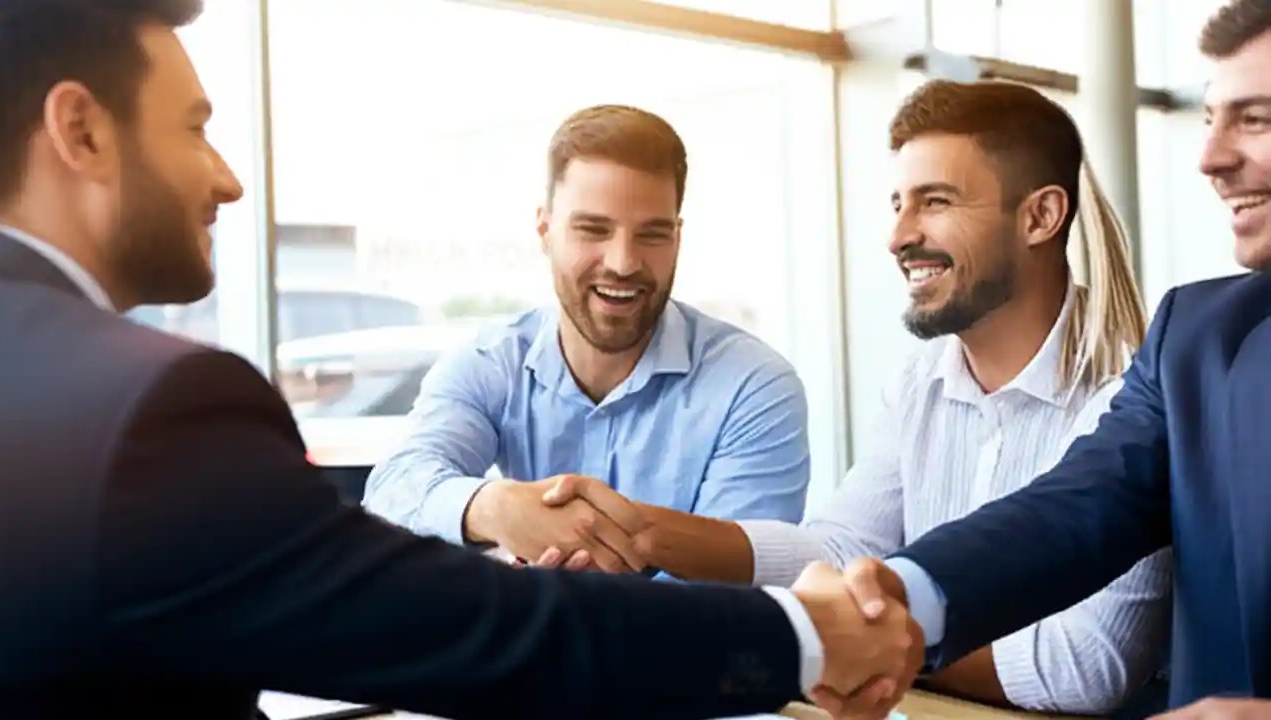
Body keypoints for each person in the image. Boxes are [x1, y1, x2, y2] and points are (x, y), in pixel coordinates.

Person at [0, 1, 917, 717]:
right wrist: (803, 633)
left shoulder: (750, 378)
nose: (229, 176)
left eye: (653, 233)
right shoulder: (158, 404)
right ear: (80, 131)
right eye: (194, 126)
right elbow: (446, 618)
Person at [533, 80, 1173, 714]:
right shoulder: (921, 379)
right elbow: (839, 551)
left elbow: (1083, 666)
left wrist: (845, 640)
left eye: (936, 201)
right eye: (898, 203)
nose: (898, 236)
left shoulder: (1134, 394)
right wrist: (644, 533)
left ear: (1039, 216)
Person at [835, 1, 1271, 717]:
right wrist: (893, 603)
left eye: (1255, 118)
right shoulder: (1196, 339)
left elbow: (1086, 666)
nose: (1211, 158)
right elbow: (1069, 514)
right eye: (1209, 119)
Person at [362, 104, 810, 573]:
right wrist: (498, 508)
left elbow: (742, 586)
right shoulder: (491, 362)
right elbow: (394, 487)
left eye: (652, 235)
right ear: (545, 230)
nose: (622, 262)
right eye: (593, 229)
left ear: (677, 238)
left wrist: (584, 569)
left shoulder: (754, 385)